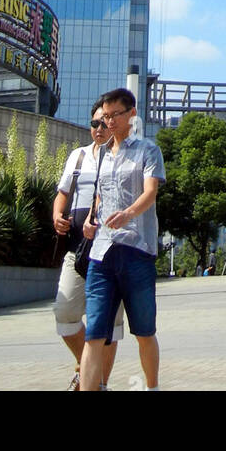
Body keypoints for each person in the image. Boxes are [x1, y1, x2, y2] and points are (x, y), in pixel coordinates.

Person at [80, 87, 165, 392]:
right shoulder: (101, 155)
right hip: (102, 253)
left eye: (115, 114)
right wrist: (92, 219)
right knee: (94, 333)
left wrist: (128, 214)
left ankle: (152, 386)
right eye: (105, 116)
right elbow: (101, 196)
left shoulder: (148, 150)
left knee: (143, 331)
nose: (109, 122)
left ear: (131, 114)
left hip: (137, 250)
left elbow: (150, 192)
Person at [51, 99, 124, 390]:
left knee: (109, 326)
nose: (98, 128)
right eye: (94, 123)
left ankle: (97, 384)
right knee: (65, 311)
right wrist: (57, 215)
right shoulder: (78, 156)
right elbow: (62, 192)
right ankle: (87, 368)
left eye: (104, 123)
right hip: (78, 251)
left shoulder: (124, 157)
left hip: (112, 251)